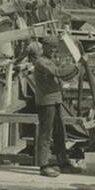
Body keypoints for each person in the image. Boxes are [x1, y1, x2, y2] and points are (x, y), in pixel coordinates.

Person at [27, 38, 78, 177]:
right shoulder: (41, 62)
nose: (54, 50)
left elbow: (65, 76)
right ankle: (43, 165)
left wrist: (77, 68)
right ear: (45, 47)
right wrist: (77, 65)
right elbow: (59, 72)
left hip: (55, 100)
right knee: (45, 134)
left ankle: (63, 162)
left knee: (60, 133)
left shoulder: (50, 60)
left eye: (56, 48)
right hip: (46, 102)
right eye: (52, 47)